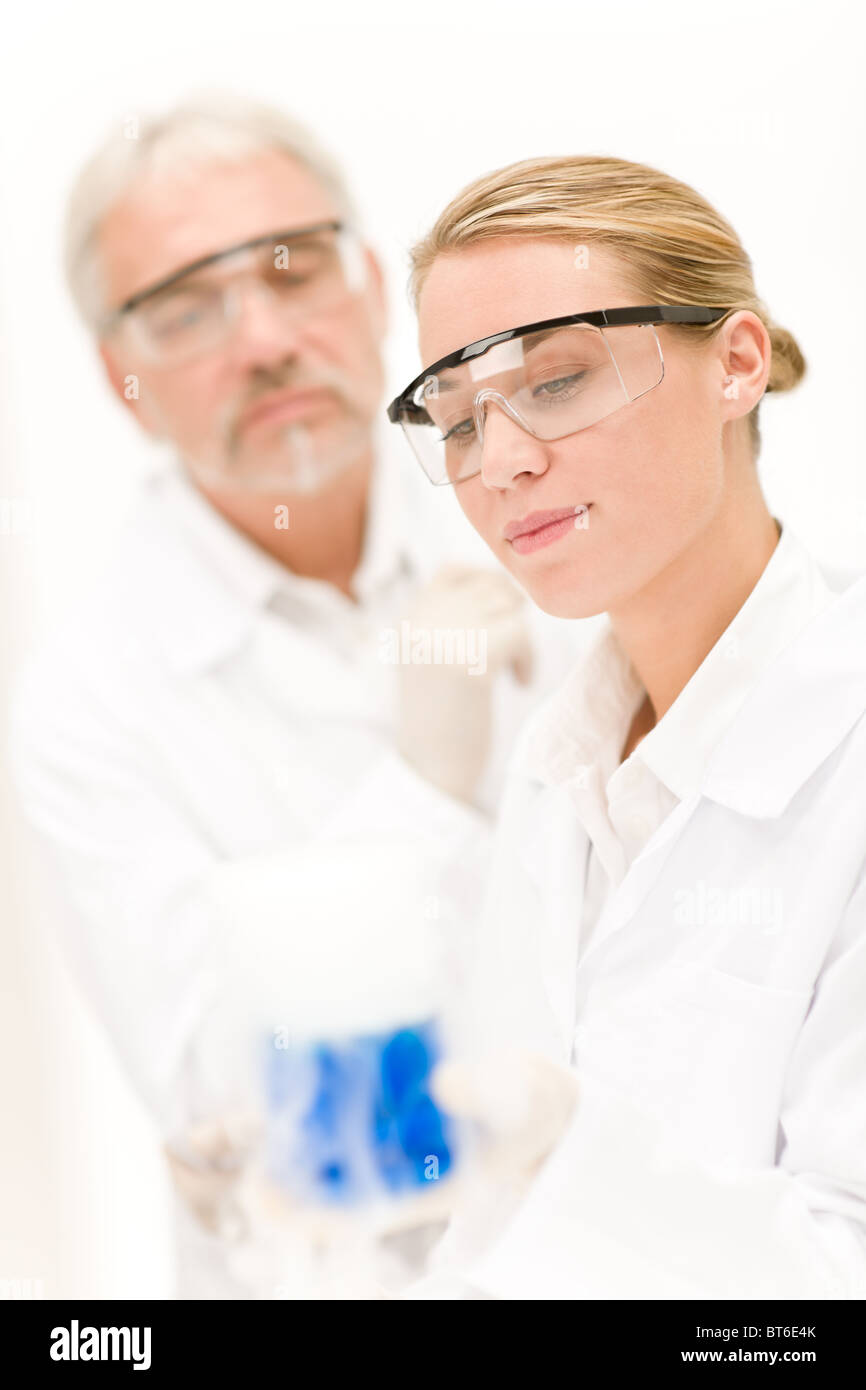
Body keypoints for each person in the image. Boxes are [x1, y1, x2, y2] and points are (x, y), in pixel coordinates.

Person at [7, 99, 578, 1299]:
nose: (262, 338)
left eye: (292, 268)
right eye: (183, 309)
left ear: (372, 288)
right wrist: (424, 780)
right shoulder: (87, 710)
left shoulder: (556, 521)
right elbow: (227, 1106)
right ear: (122, 378)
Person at [386, 153, 866, 1299]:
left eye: (556, 381)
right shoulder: (559, 767)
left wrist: (575, 1161)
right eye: (456, 420)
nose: (499, 462)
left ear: (734, 363)